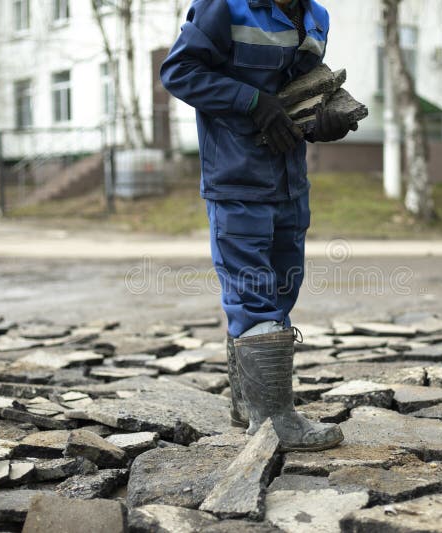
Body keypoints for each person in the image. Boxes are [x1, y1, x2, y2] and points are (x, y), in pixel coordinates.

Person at [160, 0, 356, 451]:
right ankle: (274, 423)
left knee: (282, 291)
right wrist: (250, 101)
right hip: (237, 179)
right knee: (253, 296)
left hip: (289, 181)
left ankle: (250, 405)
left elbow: (305, 88)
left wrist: (324, 120)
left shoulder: (316, 17)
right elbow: (180, 72)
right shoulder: (224, 6)